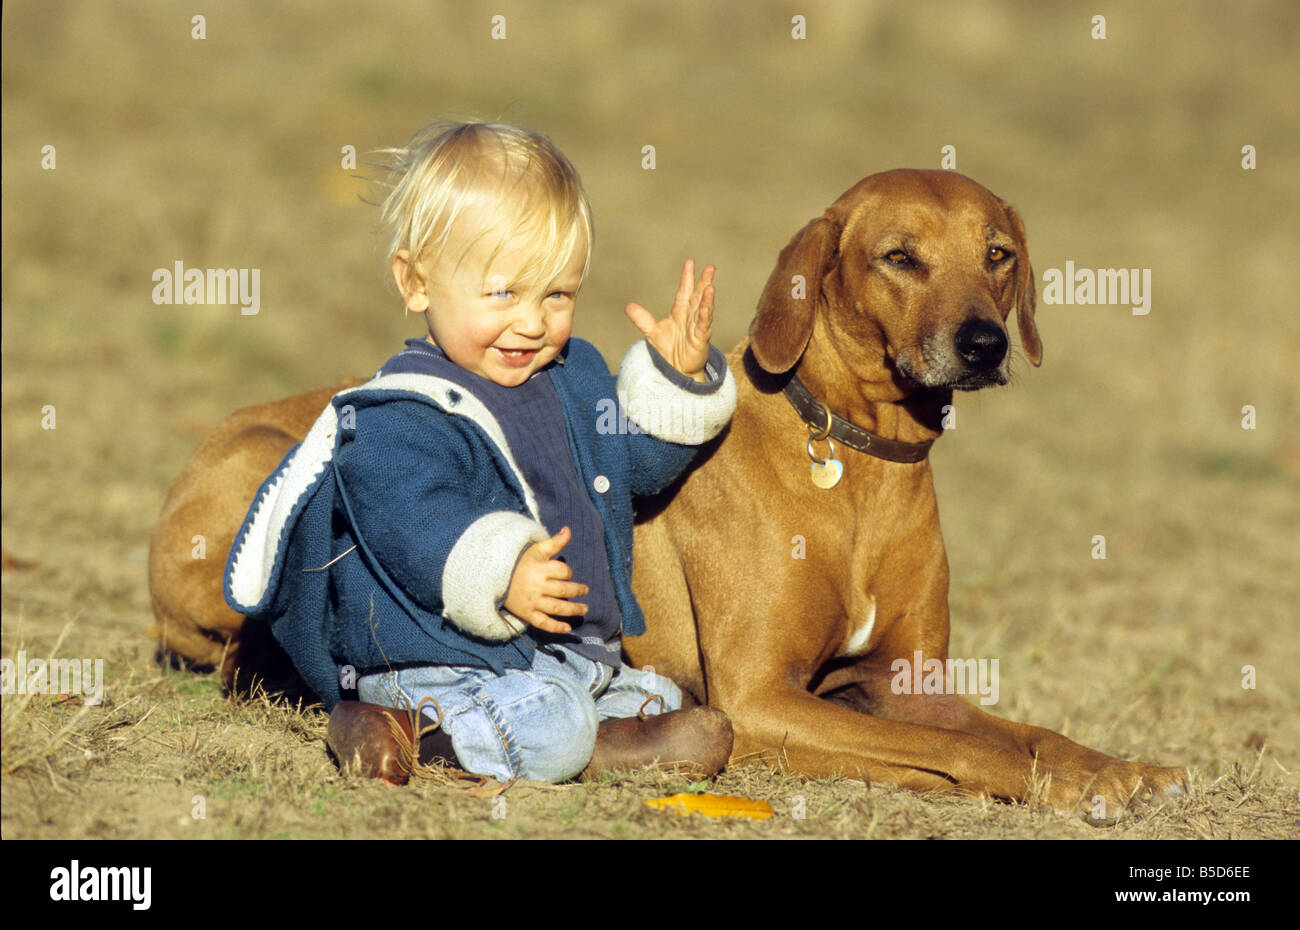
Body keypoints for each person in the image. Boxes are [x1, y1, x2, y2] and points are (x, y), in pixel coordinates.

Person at [224, 120, 736, 784]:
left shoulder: (573, 377)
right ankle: (396, 728)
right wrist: (503, 571)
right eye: (503, 292)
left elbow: (634, 466)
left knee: (674, 707)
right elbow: (416, 524)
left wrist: (675, 381)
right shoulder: (401, 410)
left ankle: (590, 743)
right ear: (416, 284)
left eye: (557, 294)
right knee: (554, 725)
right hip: (437, 664)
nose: (532, 322)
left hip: (567, 660)